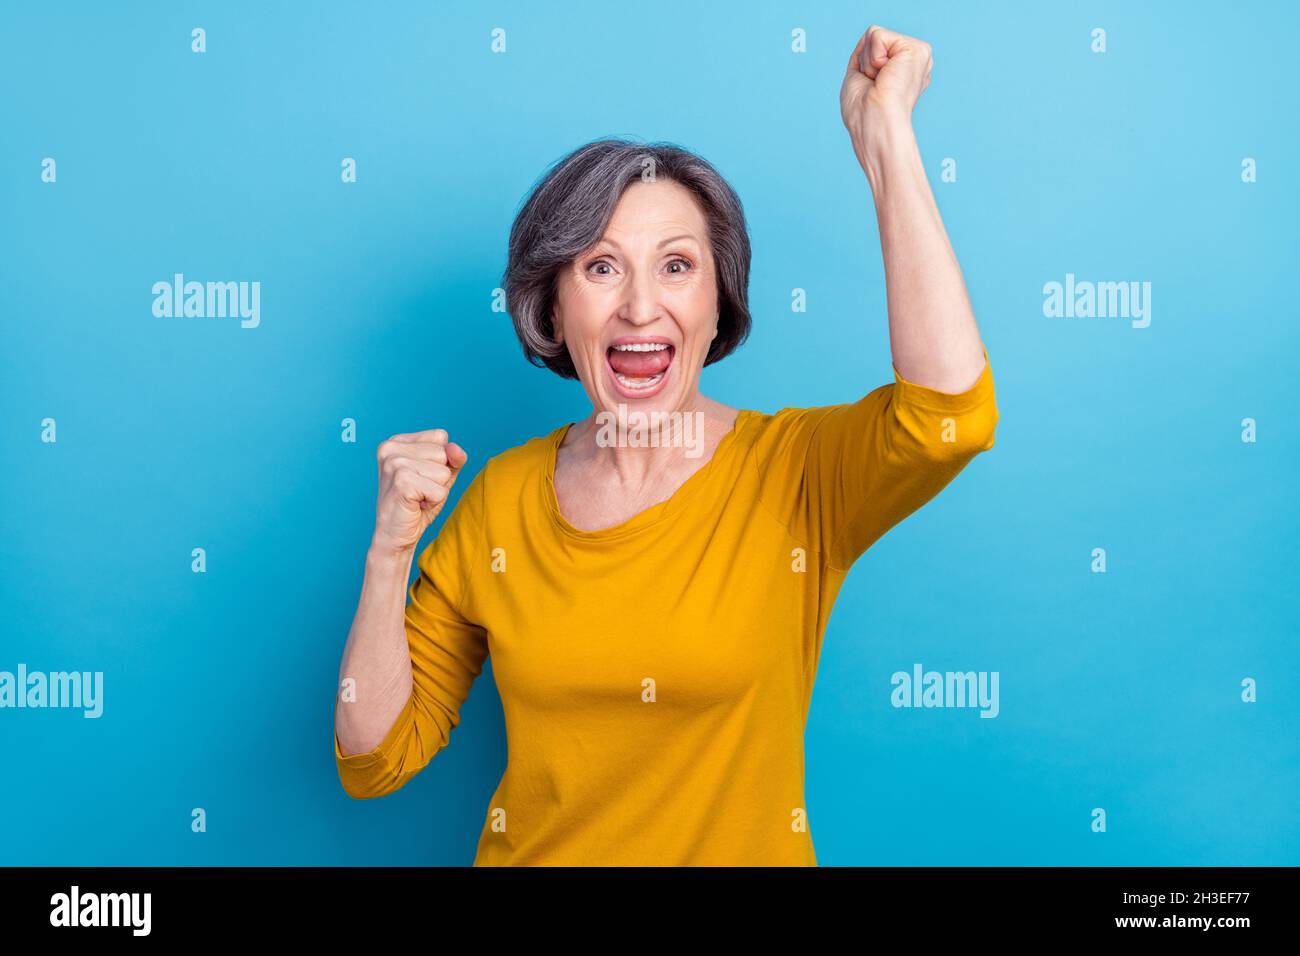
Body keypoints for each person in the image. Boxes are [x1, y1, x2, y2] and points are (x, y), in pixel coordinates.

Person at [333, 24, 999, 865]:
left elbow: (952, 416)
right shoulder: (500, 499)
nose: (641, 307)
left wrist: (885, 140)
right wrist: (390, 550)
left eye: (677, 266)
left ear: (719, 305)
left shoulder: (794, 475)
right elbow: (373, 757)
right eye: (601, 267)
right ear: (553, 306)